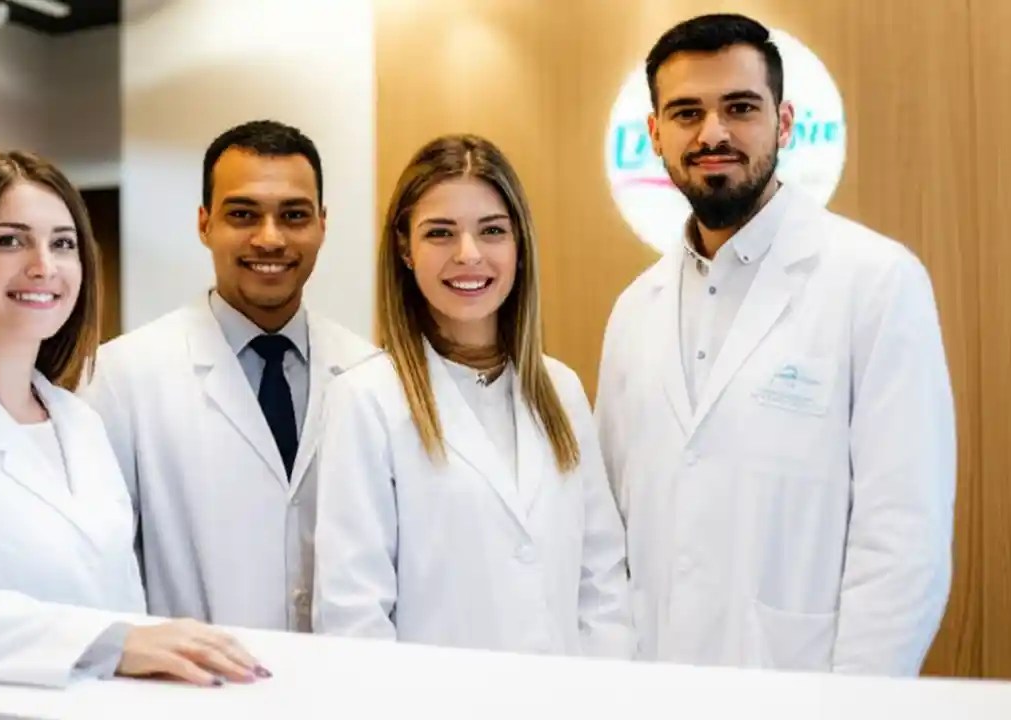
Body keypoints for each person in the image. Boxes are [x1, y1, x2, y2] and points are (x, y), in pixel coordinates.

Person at [595, 13, 956, 674]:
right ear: (653, 133)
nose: (713, 133)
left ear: (783, 122)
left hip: (806, 687)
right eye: (685, 112)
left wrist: (854, 705)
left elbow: (904, 541)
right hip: (653, 684)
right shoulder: (632, 313)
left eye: (740, 107)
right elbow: (611, 534)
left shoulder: (875, 283)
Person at [0, 150, 266, 688]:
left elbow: (117, 597)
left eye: (63, 243)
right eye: (9, 240)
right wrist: (108, 642)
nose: (44, 265)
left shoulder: (79, 422)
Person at [311, 134, 634, 657]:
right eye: (440, 233)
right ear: (404, 248)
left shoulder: (562, 391)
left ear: (518, 245)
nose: (469, 255)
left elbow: (602, 589)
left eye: (491, 231)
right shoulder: (365, 400)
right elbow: (354, 617)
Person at [82, 120, 376, 632]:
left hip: (341, 687)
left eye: (294, 215)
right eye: (243, 214)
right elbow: (100, 566)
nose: (270, 238)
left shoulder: (370, 373)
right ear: (204, 224)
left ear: (322, 225)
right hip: (192, 696)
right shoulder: (123, 376)